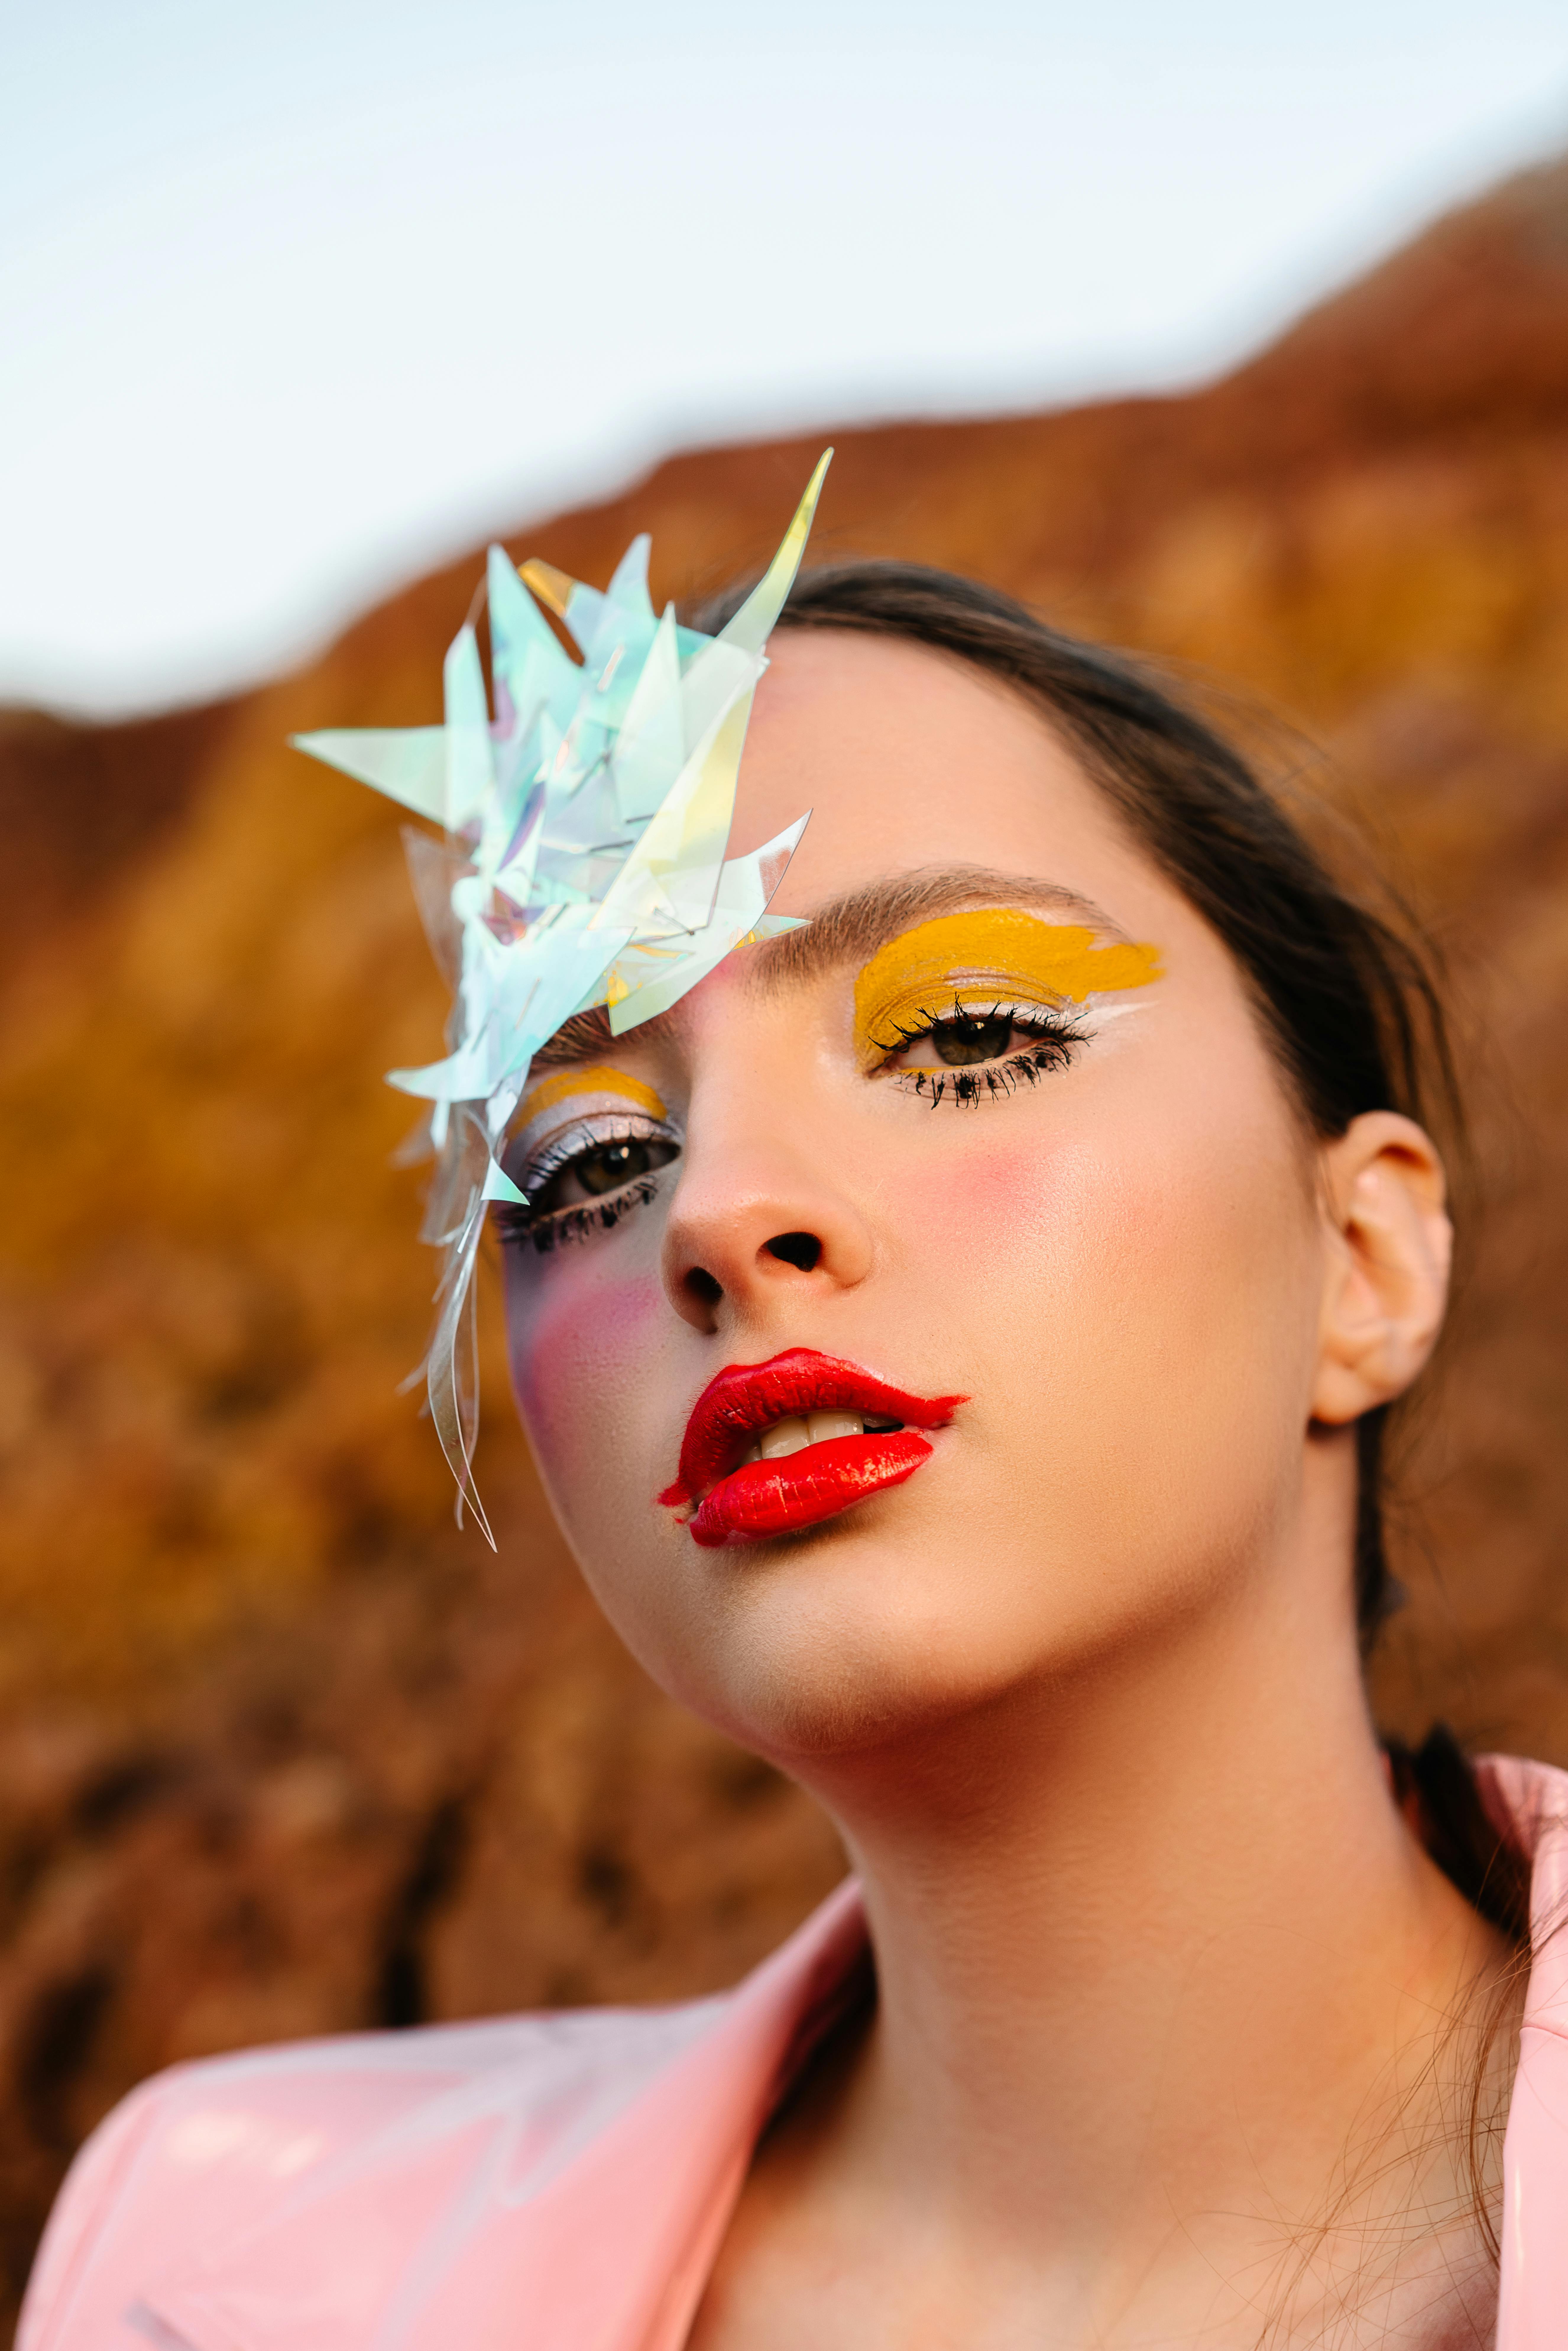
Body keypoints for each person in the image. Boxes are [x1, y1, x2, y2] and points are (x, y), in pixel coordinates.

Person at [19, 483, 1567, 2351]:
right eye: (586, 1156)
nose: (717, 1209)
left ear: (1365, 1259)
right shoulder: (230, 2270)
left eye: (967, 1035)